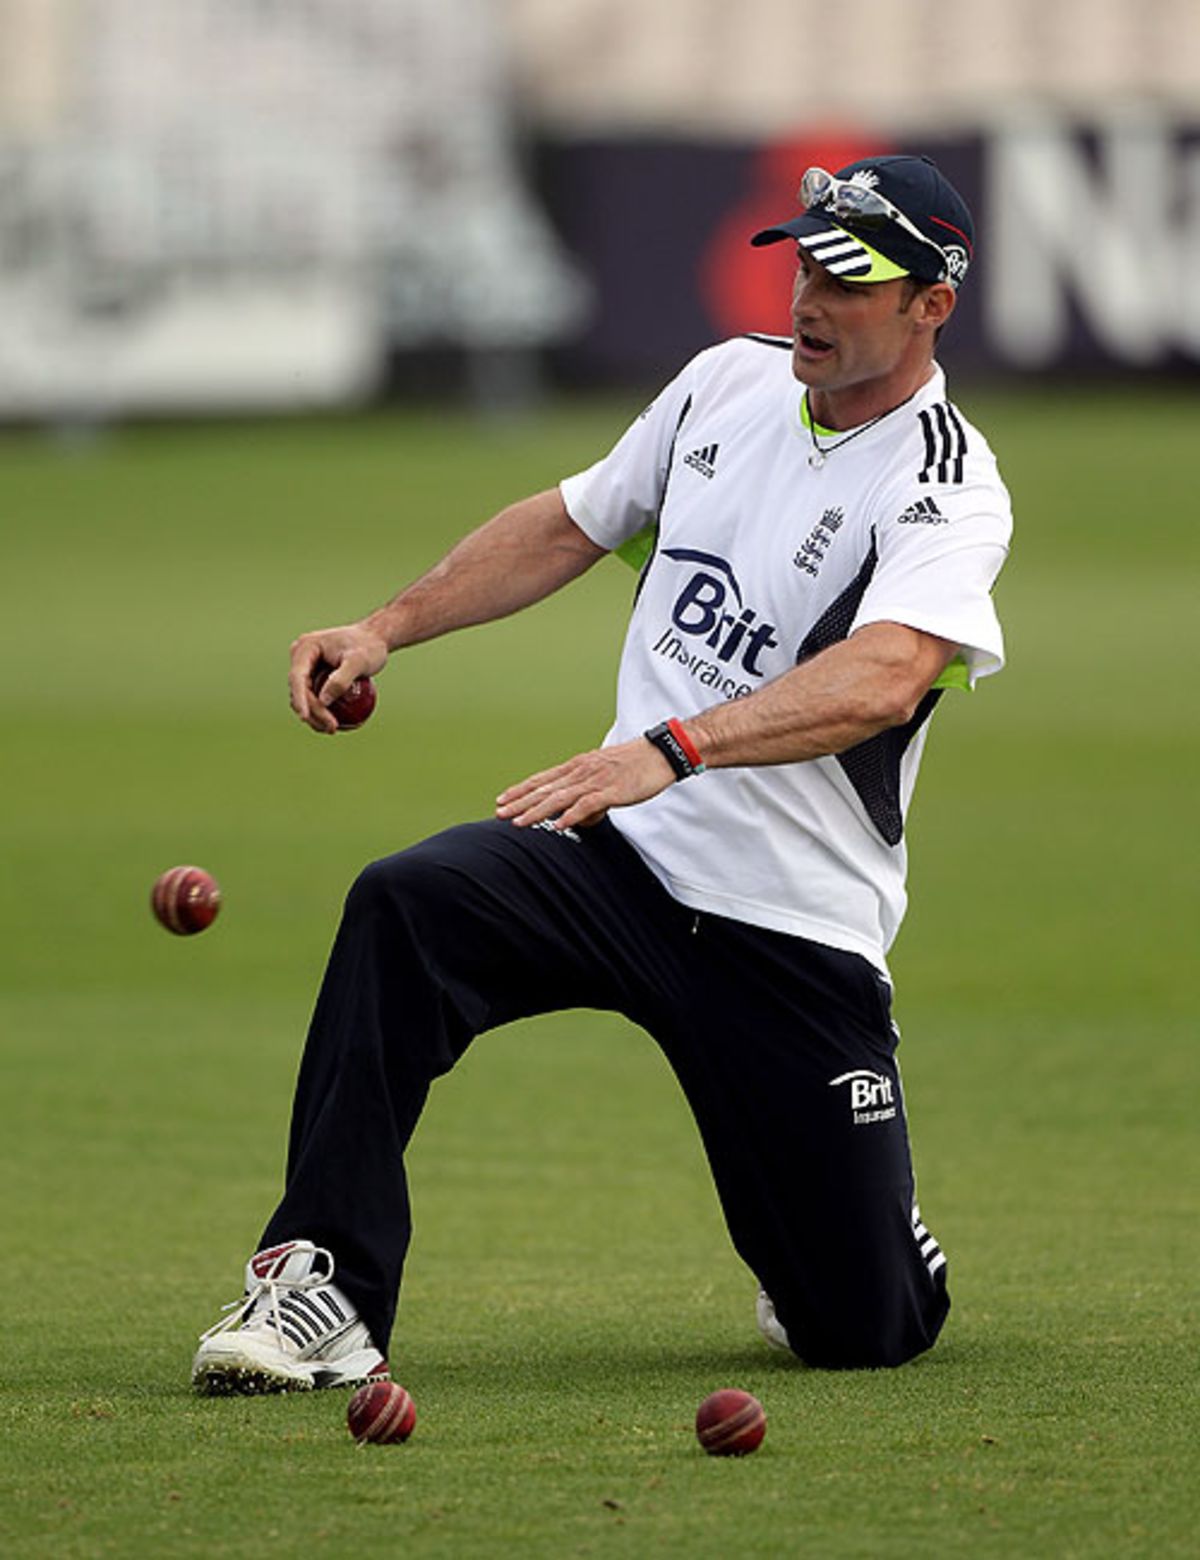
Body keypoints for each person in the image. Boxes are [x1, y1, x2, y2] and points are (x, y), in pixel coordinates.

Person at [192, 154, 1011, 1393]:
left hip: (789, 926)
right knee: (405, 905)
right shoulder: (722, 386)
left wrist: (669, 749)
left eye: (852, 278)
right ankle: (325, 1283)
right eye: (804, 262)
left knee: (864, 1329)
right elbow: (571, 521)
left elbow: (885, 677)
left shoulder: (947, 483)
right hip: (620, 865)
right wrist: (382, 631)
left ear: (931, 303)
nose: (812, 295)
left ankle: (862, 1240)